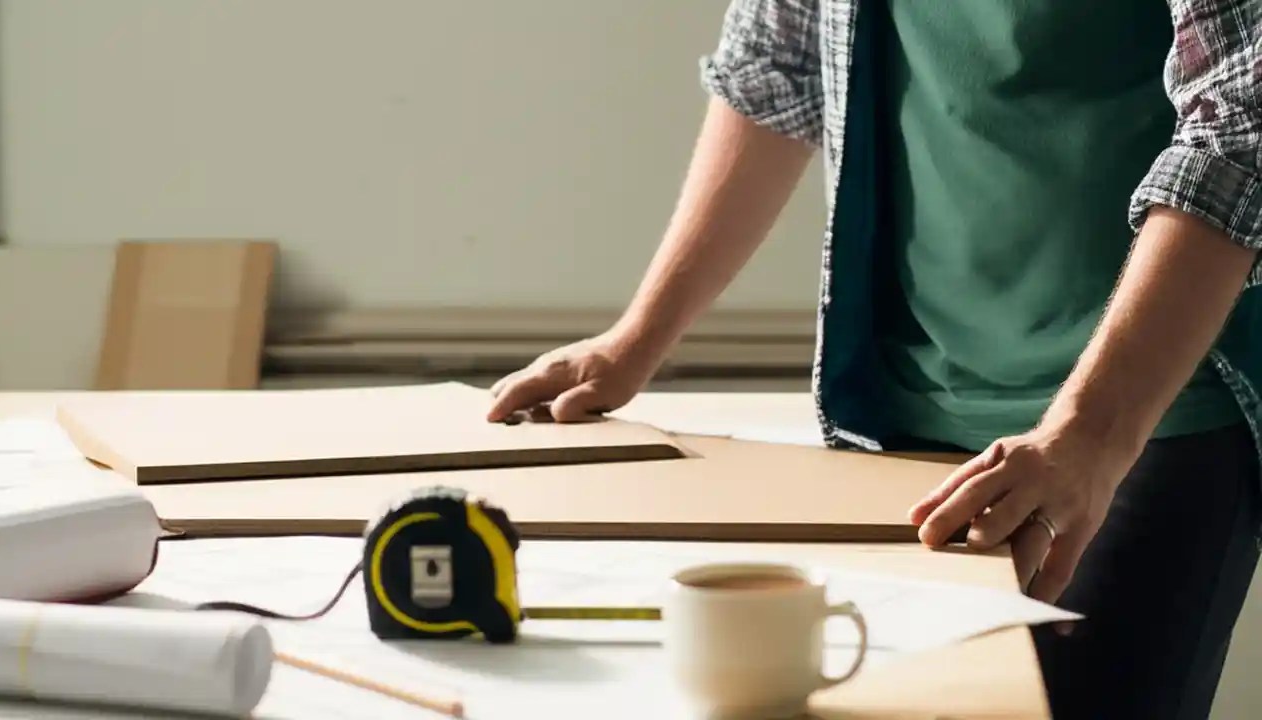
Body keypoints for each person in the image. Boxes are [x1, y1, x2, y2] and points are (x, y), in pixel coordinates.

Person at [487, 2, 1261, 717]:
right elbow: (775, 66)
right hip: (902, 410)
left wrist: (1088, 435)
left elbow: (1244, 124)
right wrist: (634, 341)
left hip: (1142, 423)